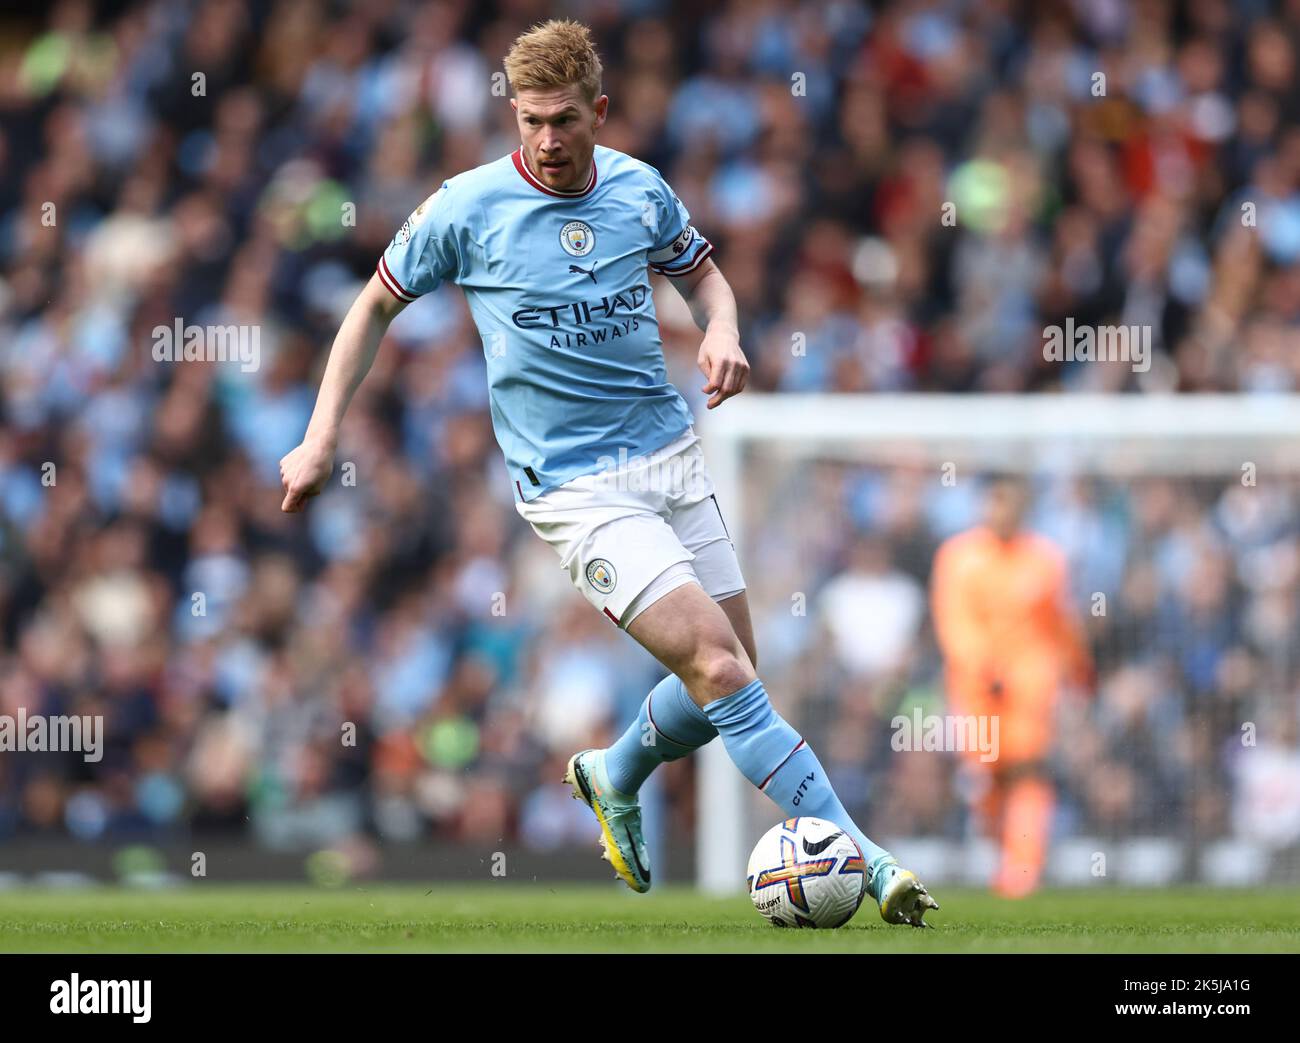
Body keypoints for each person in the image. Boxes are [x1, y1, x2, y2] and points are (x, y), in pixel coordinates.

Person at [279, 18, 937, 926]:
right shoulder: (465, 209)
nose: (547, 141)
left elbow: (707, 280)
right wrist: (319, 439)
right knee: (719, 665)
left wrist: (722, 329)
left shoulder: (640, 191)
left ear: (600, 109)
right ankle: (867, 860)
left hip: (670, 456)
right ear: (513, 113)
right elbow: (370, 311)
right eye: (531, 120)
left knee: (733, 674)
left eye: (565, 121)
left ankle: (614, 768)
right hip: (576, 487)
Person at [931, 474, 1093, 897]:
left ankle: (1022, 869)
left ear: (1023, 506)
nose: (1000, 510)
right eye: (994, 501)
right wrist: (984, 667)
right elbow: (954, 624)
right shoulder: (959, 557)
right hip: (977, 687)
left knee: (1029, 773)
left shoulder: (1045, 559)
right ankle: (1004, 855)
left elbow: (1061, 625)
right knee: (985, 780)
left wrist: (1079, 671)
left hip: (1030, 686)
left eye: (1009, 501)